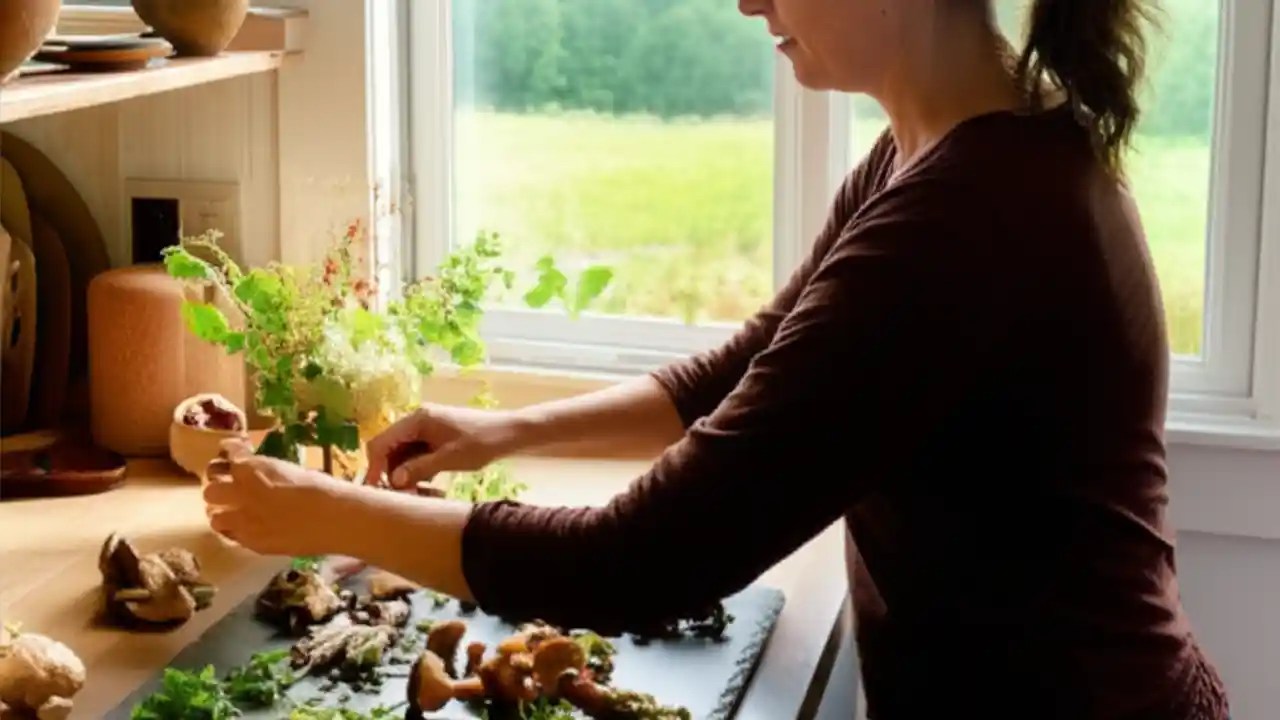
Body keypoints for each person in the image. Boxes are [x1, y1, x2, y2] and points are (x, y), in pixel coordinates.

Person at [205, 0, 1231, 717]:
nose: (747, 4)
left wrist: (319, 513)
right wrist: (503, 429)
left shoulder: (969, 214)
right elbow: (755, 365)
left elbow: (642, 563)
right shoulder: (940, 152)